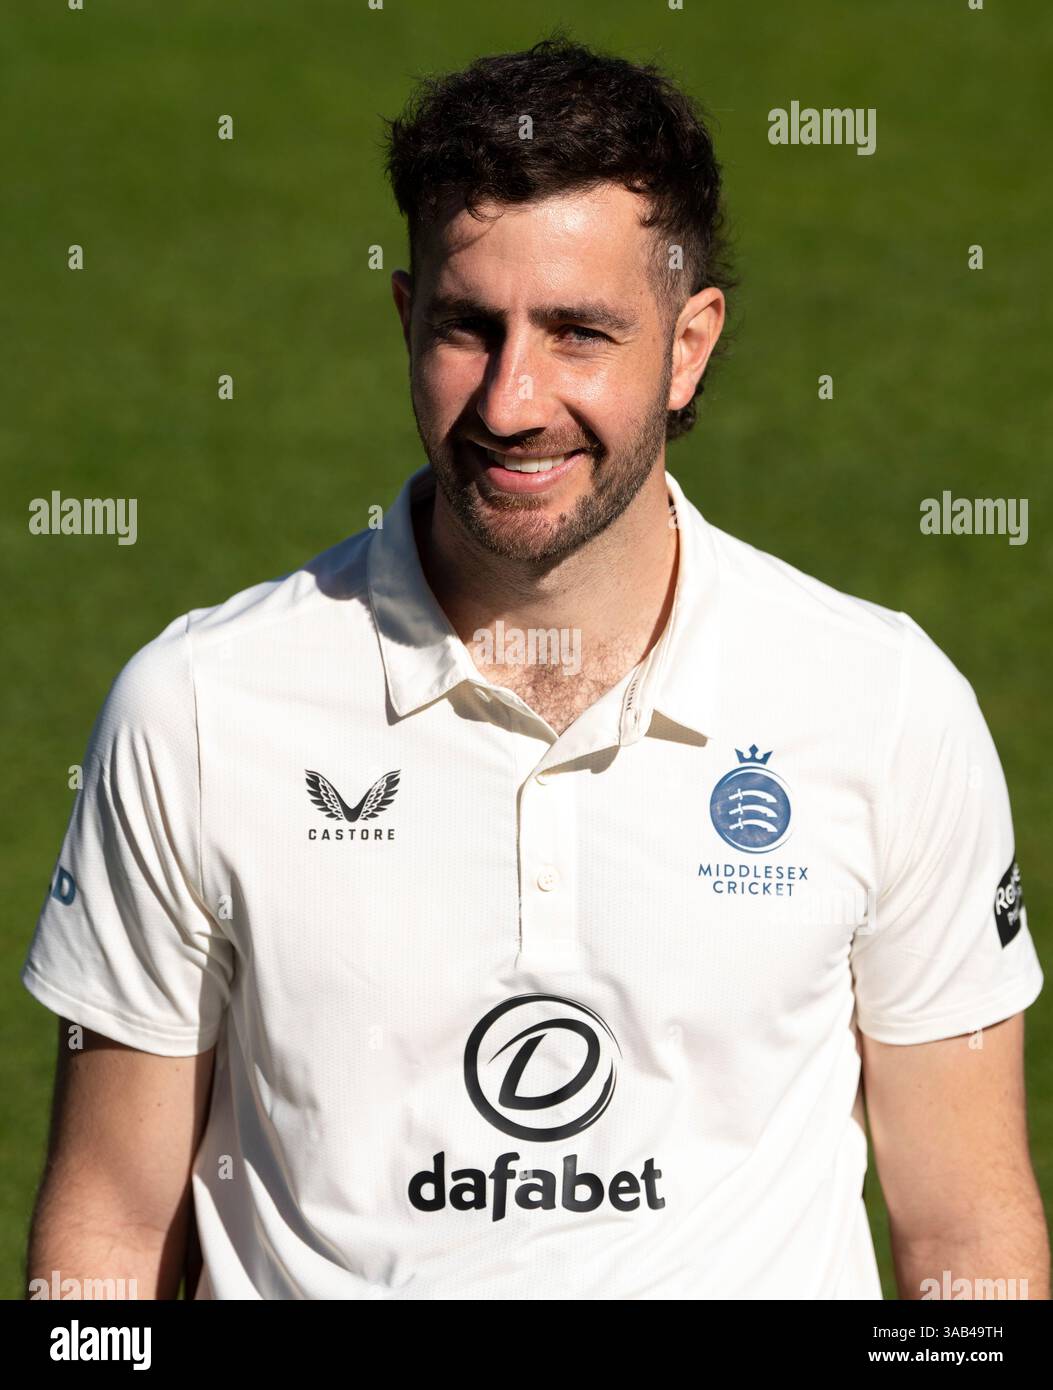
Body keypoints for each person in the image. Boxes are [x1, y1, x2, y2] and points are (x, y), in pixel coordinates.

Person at [23, 36, 1046, 1301]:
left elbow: (964, 1240)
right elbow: (110, 1244)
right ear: (407, 319)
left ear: (688, 345)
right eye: (469, 326)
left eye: (578, 333)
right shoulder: (196, 711)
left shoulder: (884, 707)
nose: (511, 401)